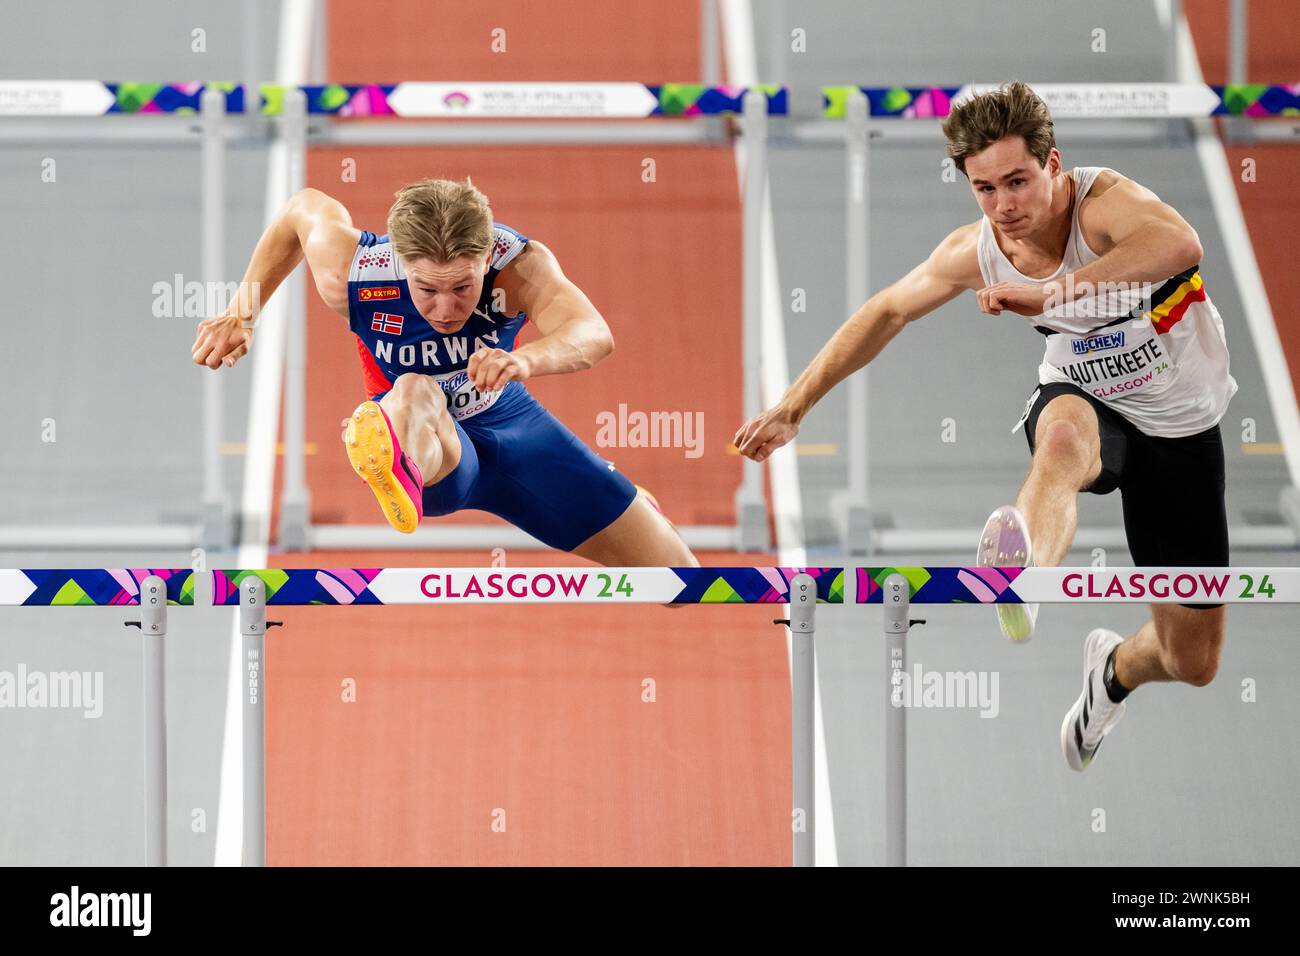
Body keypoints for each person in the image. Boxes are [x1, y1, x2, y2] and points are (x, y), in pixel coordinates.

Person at [734, 82, 1237, 771]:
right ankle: (1025, 574)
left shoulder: (1105, 205)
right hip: (1084, 391)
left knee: (1193, 659)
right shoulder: (979, 249)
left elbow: (1180, 242)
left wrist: (1053, 291)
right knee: (1062, 442)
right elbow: (887, 311)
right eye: (985, 188)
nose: (1005, 205)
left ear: (1053, 164)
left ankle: (1113, 670)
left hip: (1180, 423)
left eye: (1019, 181)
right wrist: (795, 403)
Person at [192, 177, 697, 569]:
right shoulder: (353, 271)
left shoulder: (520, 266)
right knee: (414, 389)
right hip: (435, 450)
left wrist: (524, 360)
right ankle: (388, 455)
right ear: (399, 261)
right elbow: (300, 210)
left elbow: (593, 334)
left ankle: (634, 511)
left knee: (681, 579)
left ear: (484, 258)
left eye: (462, 286)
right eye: (427, 288)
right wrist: (242, 312)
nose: (445, 307)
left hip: (514, 428)